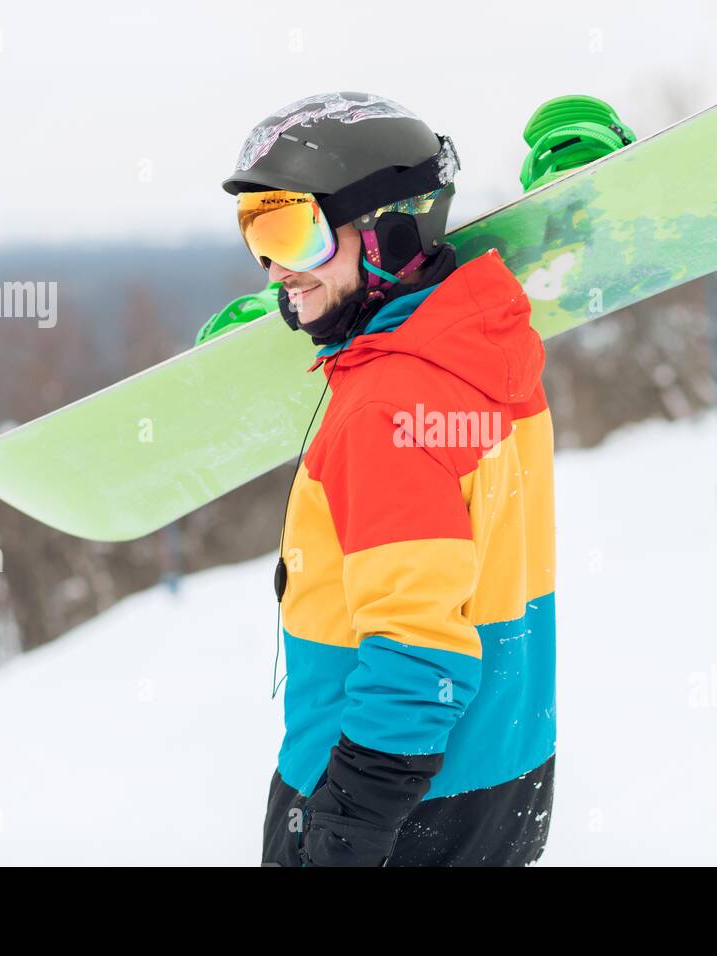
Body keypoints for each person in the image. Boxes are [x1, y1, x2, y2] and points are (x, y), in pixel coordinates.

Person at [223, 91, 556, 867]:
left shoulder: (385, 410)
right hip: (500, 786)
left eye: (295, 231)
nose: (275, 267)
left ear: (388, 229)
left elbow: (418, 654)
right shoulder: (489, 353)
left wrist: (342, 830)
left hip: (391, 817)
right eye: (259, 237)